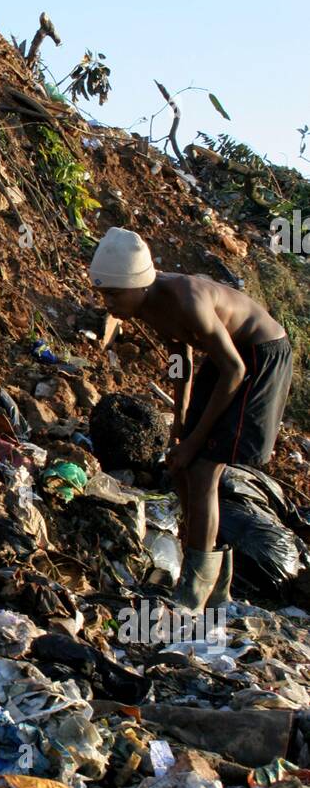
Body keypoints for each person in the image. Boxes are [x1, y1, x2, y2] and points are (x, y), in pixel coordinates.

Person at [90, 227, 292, 610]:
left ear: (138, 284)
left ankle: (196, 590)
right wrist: (180, 422)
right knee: (180, 469)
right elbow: (179, 354)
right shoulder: (144, 305)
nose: (108, 303)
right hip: (225, 358)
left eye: (114, 293)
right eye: (103, 294)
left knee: (202, 471)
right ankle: (214, 583)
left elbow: (234, 370)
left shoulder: (186, 299)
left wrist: (195, 441)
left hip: (257, 357)